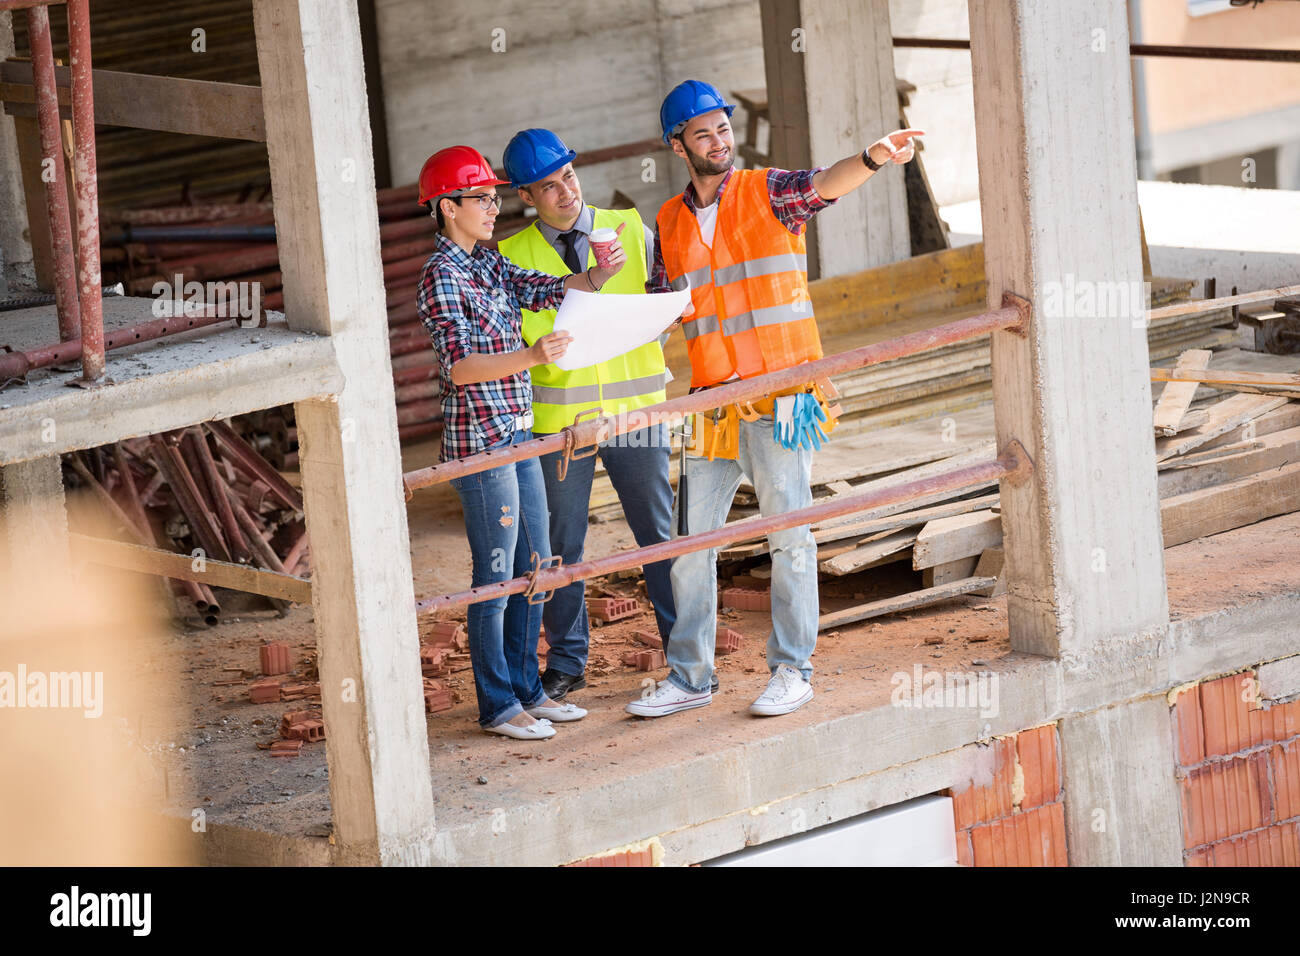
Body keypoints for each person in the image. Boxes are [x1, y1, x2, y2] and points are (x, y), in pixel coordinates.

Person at [626, 80, 922, 720]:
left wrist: (871, 158)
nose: (719, 141)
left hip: (783, 395)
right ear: (678, 146)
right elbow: (664, 306)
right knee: (690, 544)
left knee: (789, 538)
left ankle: (793, 670)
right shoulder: (670, 223)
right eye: (703, 134)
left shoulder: (768, 193)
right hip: (713, 402)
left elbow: (826, 183)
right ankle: (690, 677)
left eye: (723, 129)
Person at [415, 145, 627, 740]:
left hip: (517, 430)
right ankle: (498, 704)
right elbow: (460, 367)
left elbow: (548, 289)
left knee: (537, 562)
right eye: (482, 198)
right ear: (447, 207)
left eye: (494, 197)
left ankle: (530, 690)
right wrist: (530, 356)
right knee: (497, 571)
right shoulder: (441, 276)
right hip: (480, 444)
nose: (493, 207)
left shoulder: (486, 262)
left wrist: (598, 277)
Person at [497, 128, 688, 702]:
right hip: (561, 422)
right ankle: (569, 661)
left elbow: (665, 297)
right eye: (548, 187)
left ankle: (685, 654)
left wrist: (669, 312)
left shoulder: (631, 227)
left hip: (635, 413)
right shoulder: (509, 257)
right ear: (526, 197)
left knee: (658, 535)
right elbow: (526, 333)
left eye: (569, 178)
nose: (565, 193)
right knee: (559, 546)